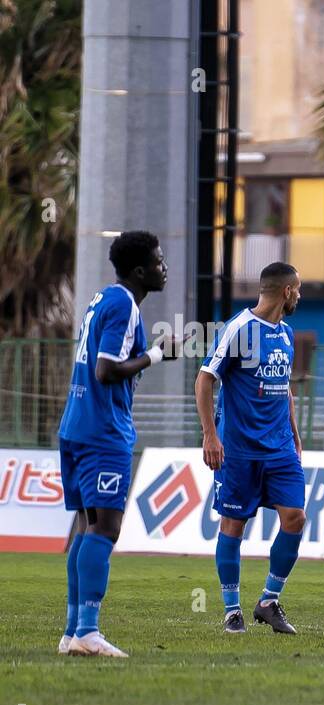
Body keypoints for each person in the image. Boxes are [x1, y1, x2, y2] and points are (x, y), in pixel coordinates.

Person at [57, 230, 177, 657]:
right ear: (141, 270)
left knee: (86, 527)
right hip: (102, 432)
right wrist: (159, 354)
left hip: (76, 425)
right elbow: (107, 370)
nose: (165, 268)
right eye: (160, 262)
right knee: (105, 529)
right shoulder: (125, 305)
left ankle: (73, 632)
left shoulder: (102, 298)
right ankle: (87, 631)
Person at [195, 262, 307, 636]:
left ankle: (268, 601)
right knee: (233, 525)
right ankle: (231, 611)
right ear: (287, 291)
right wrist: (211, 435)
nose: (300, 296)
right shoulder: (238, 329)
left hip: (280, 449)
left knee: (295, 518)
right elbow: (204, 379)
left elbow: (285, 387)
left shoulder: (287, 334)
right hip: (239, 450)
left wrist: (294, 432)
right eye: (298, 290)